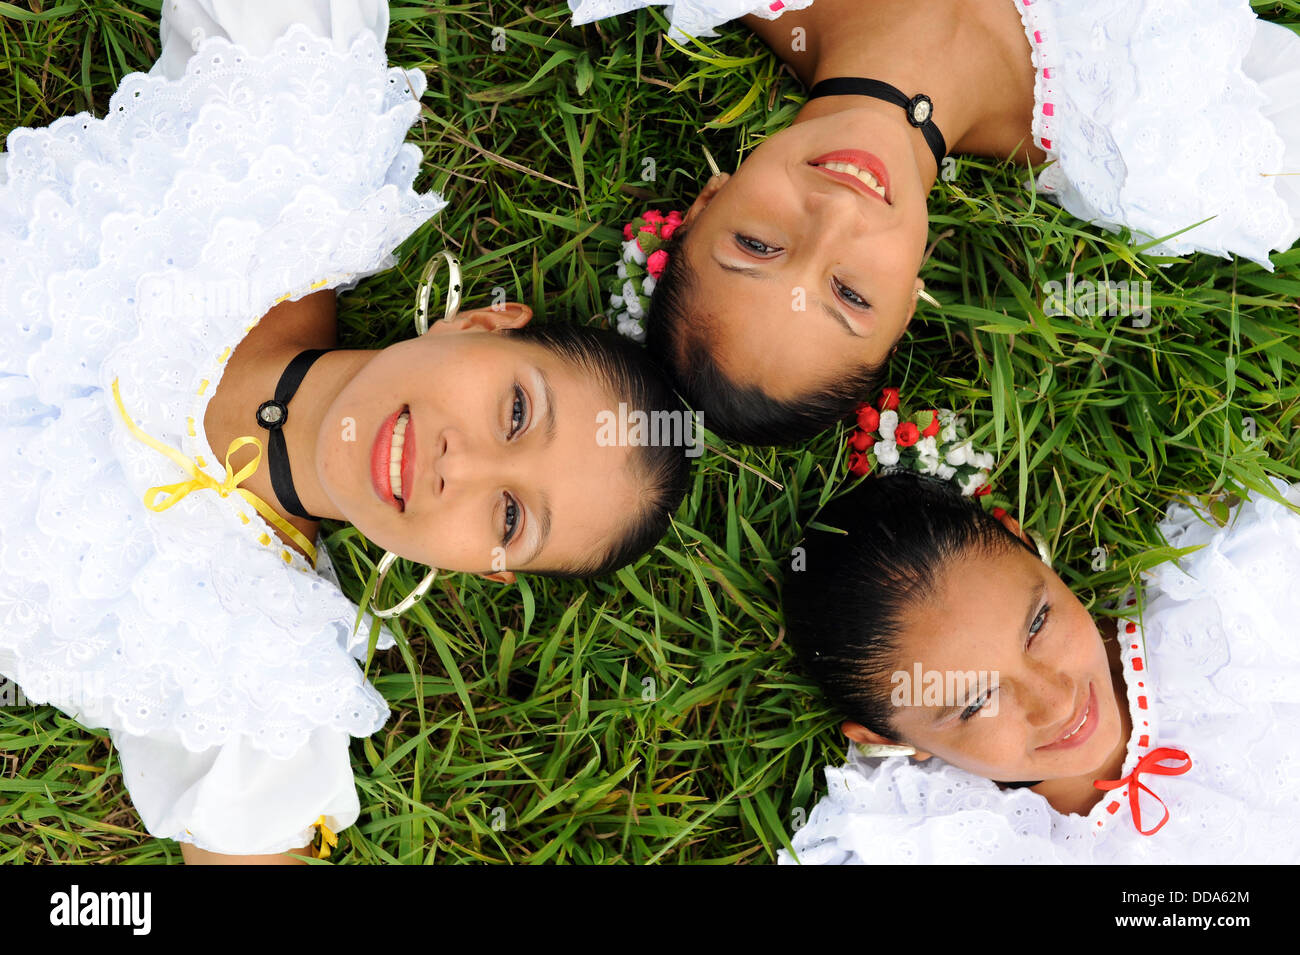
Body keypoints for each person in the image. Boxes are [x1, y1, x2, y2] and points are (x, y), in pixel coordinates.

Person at [0, 1, 691, 864]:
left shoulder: (257, 677)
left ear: (482, 567)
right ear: (482, 323)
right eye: (515, 412)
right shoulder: (292, 155)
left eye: (510, 517)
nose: (460, 465)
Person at [569, 0, 1300, 445]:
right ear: (910, 301)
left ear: (706, 201)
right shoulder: (1150, 149)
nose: (835, 219)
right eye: (852, 295)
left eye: (758, 244)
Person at [776, 424, 1300, 863]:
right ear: (887, 741)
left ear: (1028, 545)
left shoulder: (1236, 609)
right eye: (975, 702)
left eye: (1036, 626)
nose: (1054, 701)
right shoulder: (949, 846)